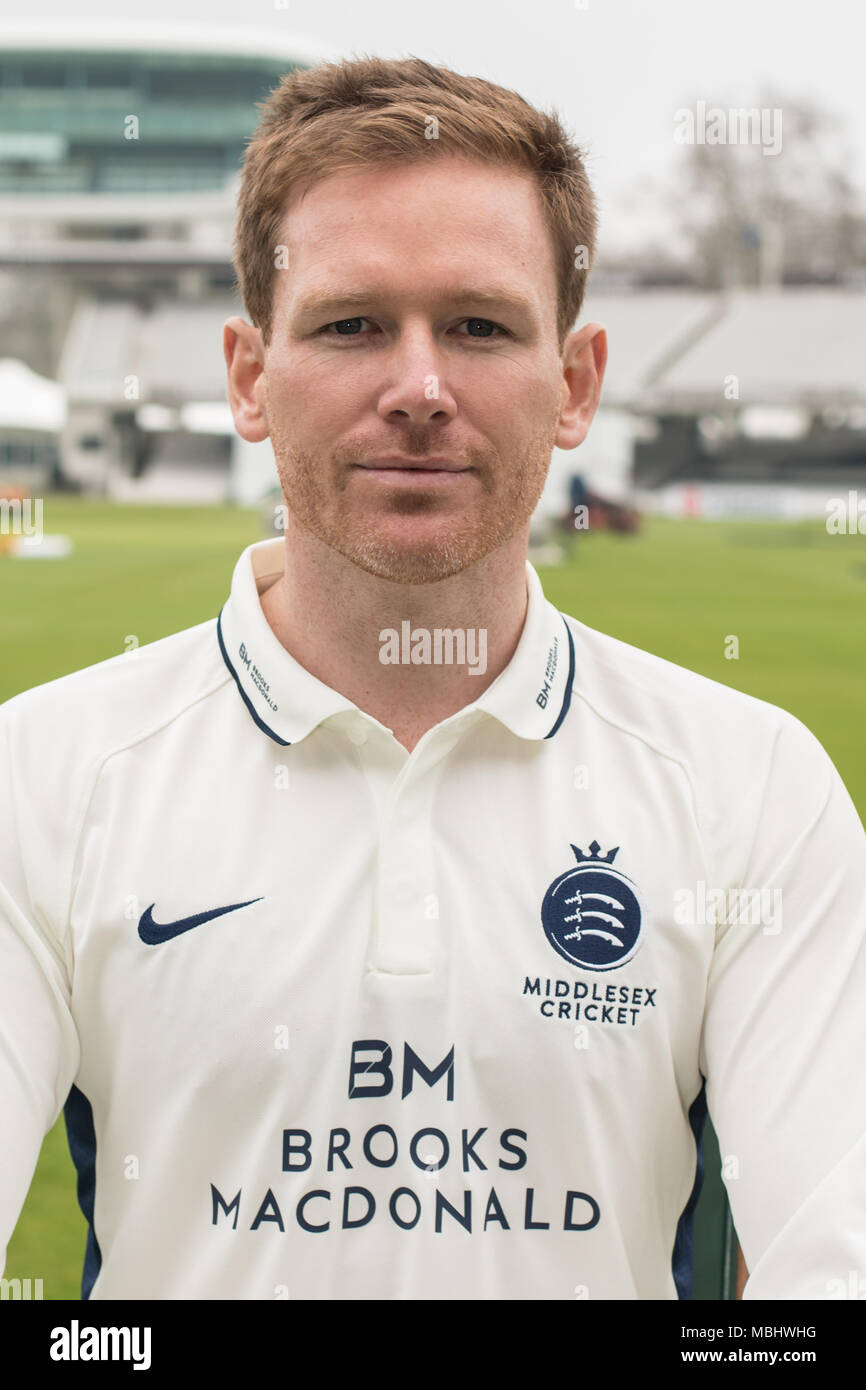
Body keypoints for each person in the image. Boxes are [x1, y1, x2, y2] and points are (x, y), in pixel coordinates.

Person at [1, 55, 864, 1302]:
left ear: (572, 384)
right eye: (352, 324)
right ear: (250, 375)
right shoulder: (44, 774)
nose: (418, 389)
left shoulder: (753, 788)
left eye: (478, 325)